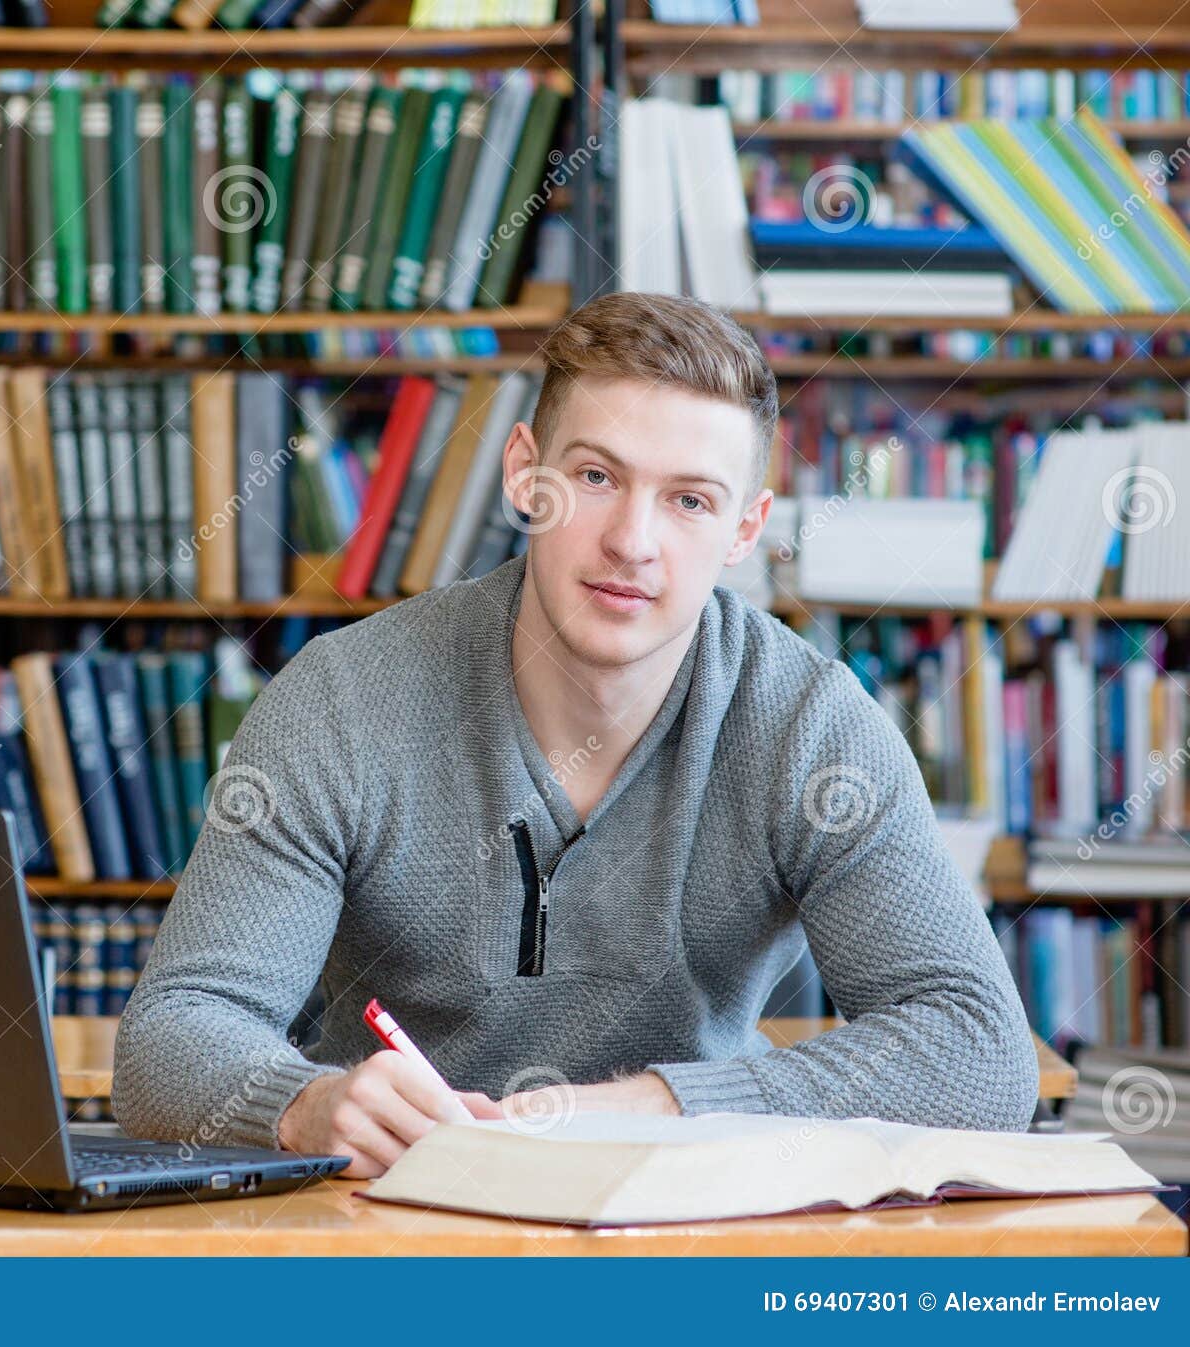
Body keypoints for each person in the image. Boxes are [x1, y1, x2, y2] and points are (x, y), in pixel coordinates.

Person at [112, 291, 1039, 1177]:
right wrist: (304, 1104)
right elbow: (171, 1035)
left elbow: (980, 1049)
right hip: (387, 1217)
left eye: (690, 501)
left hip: (689, 1228)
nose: (633, 541)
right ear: (527, 473)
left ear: (746, 529)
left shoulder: (812, 727)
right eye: (596, 477)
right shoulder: (341, 699)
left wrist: (644, 1108)